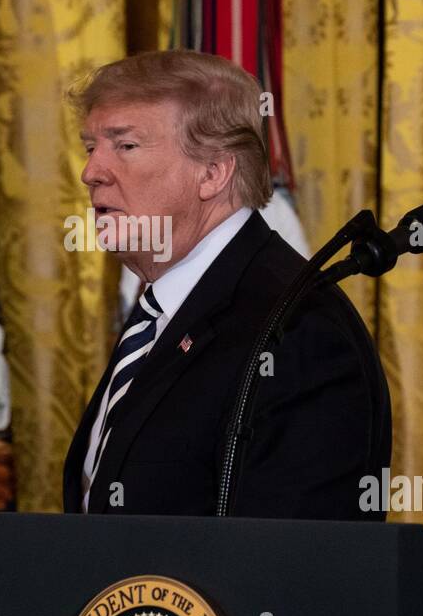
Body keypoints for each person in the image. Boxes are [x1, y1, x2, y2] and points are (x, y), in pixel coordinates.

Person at [61, 50, 391, 519]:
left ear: (213, 172)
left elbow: (294, 567)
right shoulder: (161, 312)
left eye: (125, 146)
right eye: (91, 146)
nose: (91, 172)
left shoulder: (299, 329)